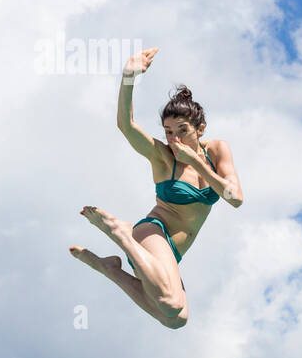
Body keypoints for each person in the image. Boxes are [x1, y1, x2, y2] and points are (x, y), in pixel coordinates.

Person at [70, 48, 244, 329]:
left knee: (176, 320)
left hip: (173, 251)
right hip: (153, 232)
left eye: (182, 130)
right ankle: (120, 234)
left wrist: (197, 164)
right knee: (171, 303)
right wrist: (128, 78)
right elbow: (126, 126)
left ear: (201, 129)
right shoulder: (163, 158)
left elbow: (235, 198)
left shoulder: (217, 150)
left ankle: (110, 269)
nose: (174, 139)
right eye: (168, 131)